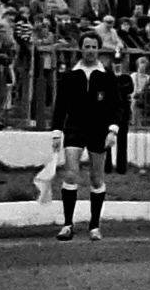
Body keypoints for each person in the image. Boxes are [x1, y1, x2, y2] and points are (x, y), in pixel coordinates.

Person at [51, 32, 123, 241]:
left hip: (98, 129)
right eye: (86, 46)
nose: (90, 50)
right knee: (71, 173)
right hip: (74, 127)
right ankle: (67, 224)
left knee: (96, 176)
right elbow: (61, 105)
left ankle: (94, 225)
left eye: (93, 47)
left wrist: (113, 130)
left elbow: (117, 106)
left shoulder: (106, 75)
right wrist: (56, 131)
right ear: (81, 48)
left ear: (98, 49)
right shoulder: (71, 75)